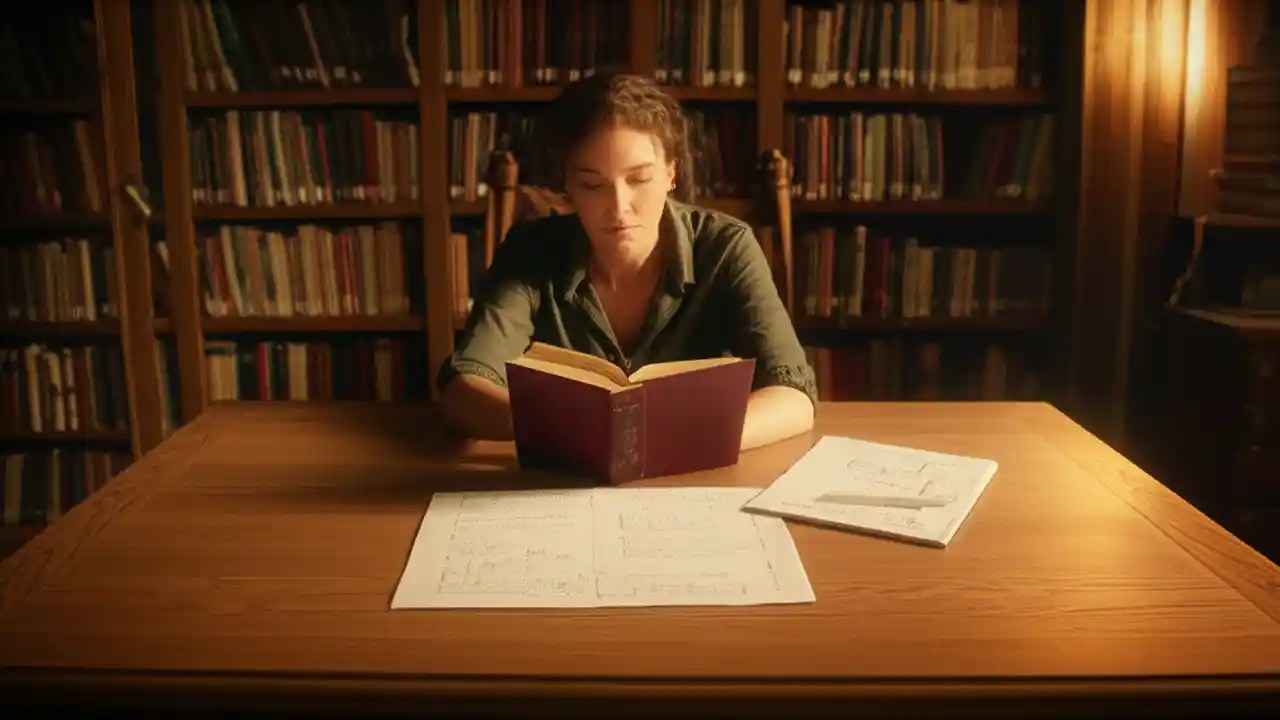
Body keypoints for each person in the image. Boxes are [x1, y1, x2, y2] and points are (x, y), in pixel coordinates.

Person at [437, 72, 817, 451]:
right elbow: (464, 390)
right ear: (567, 184)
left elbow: (794, 395)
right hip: (564, 483)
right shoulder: (531, 251)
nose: (619, 208)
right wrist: (569, 429)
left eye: (639, 179)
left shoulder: (725, 246)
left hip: (691, 478)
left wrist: (680, 438)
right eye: (592, 185)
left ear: (671, 173)